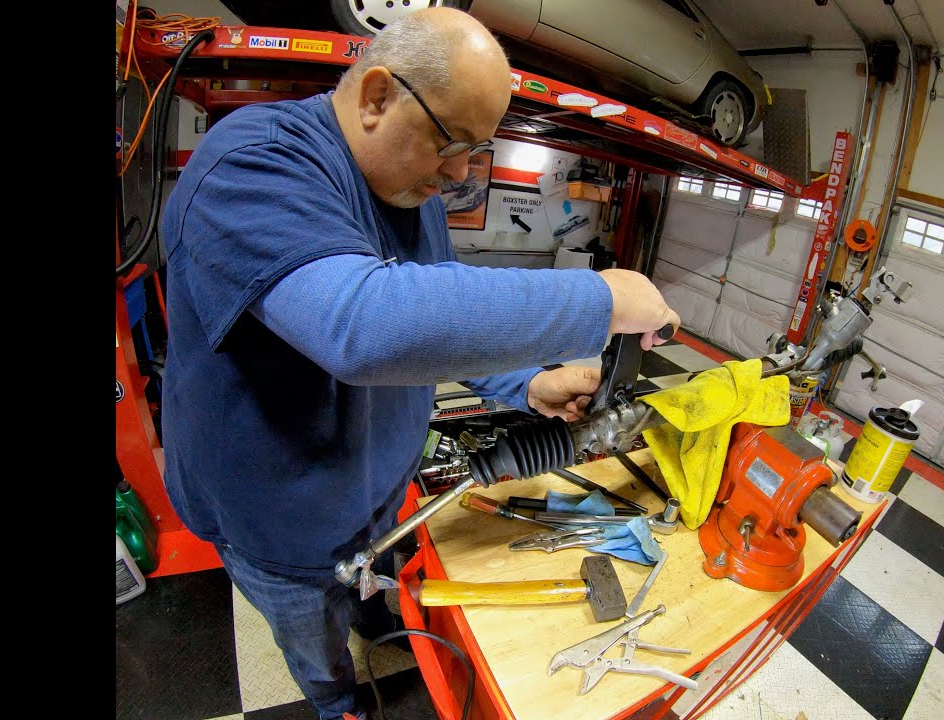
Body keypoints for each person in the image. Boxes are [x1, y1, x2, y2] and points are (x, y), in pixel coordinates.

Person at [158, 7, 680, 719]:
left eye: (477, 149)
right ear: (377, 96)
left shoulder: (411, 185)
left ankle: (372, 613)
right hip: (281, 517)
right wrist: (601, 299)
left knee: (373, 588)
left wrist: (526, 382)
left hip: (376, 494)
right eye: (451, 142)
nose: (460, 172)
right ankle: (337, 702)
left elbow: (434, 314)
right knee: (316, 638)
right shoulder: (252, 165)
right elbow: (364, 327)